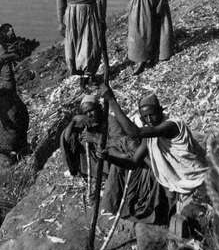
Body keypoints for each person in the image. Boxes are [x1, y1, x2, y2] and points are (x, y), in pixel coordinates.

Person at [98, 86, 207, 215]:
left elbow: (135, 133)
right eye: (145, 117)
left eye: (152, 115)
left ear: (160, 111)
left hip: (200, 182)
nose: (149, 120)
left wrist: (111, 101)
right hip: (183, 189)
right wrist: (108, 158)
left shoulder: (171, 125)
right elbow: (133, 163)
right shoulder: (149, 138)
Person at [61, 94, 168, 223]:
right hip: (104, 156)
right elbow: (65, 138)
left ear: (99, 108)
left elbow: (120, 142)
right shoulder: (88, 122)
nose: (89, 114)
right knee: (74, 139)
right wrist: (74, 121)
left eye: (92, 110)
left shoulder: (110, 121)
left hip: (118, 156)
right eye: (86, 112)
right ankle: (84, 170)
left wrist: (96, 139)